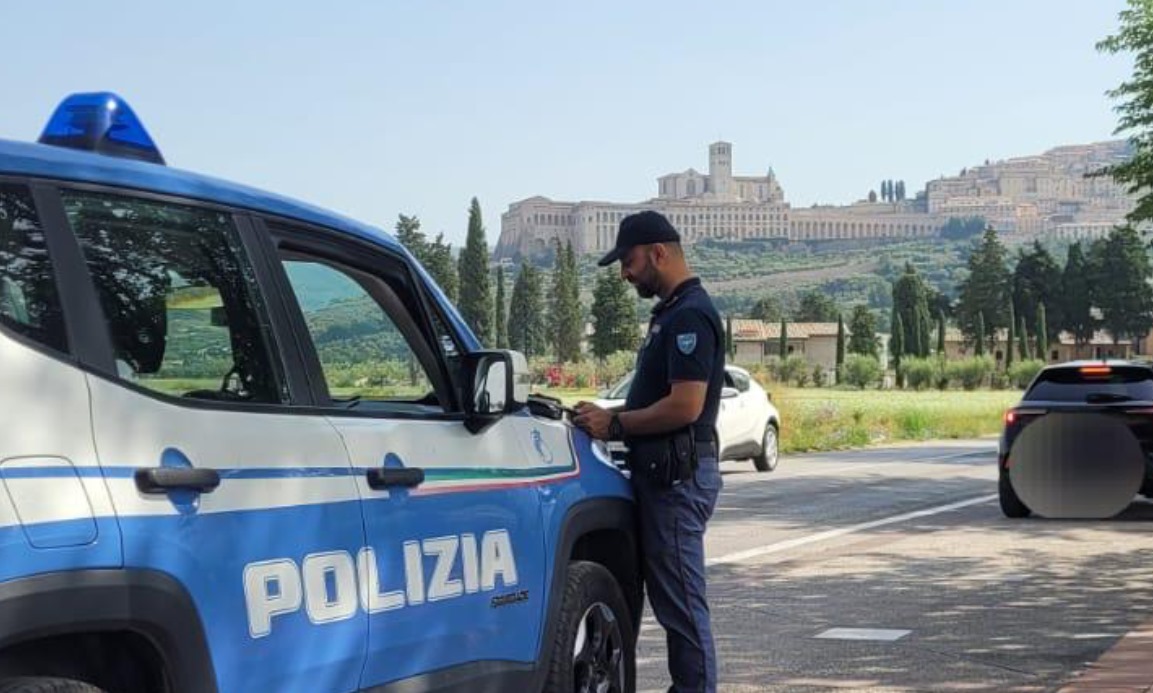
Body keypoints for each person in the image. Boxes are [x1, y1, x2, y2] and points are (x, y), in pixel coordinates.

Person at [573, 210, 724, 693]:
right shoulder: (673, 312)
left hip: (676, 480)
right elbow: (660, 398)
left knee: (682, 608)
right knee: (669, 602)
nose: (625, 272)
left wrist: (614, 422)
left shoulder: (689, 315)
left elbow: (685, 405)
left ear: (659, 252)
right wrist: (606, 411)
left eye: (630, 260)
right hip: (661, 474)